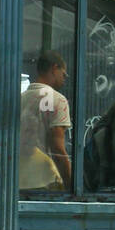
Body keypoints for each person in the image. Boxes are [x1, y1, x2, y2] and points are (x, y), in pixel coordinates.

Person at [18, 51, 72, 191]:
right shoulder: (58, 100)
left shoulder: (20, 99)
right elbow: (57, 149)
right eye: (64, 74)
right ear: (54, 68)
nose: (64, 79)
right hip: (45, 183)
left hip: (17, 183)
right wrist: (70, 184)